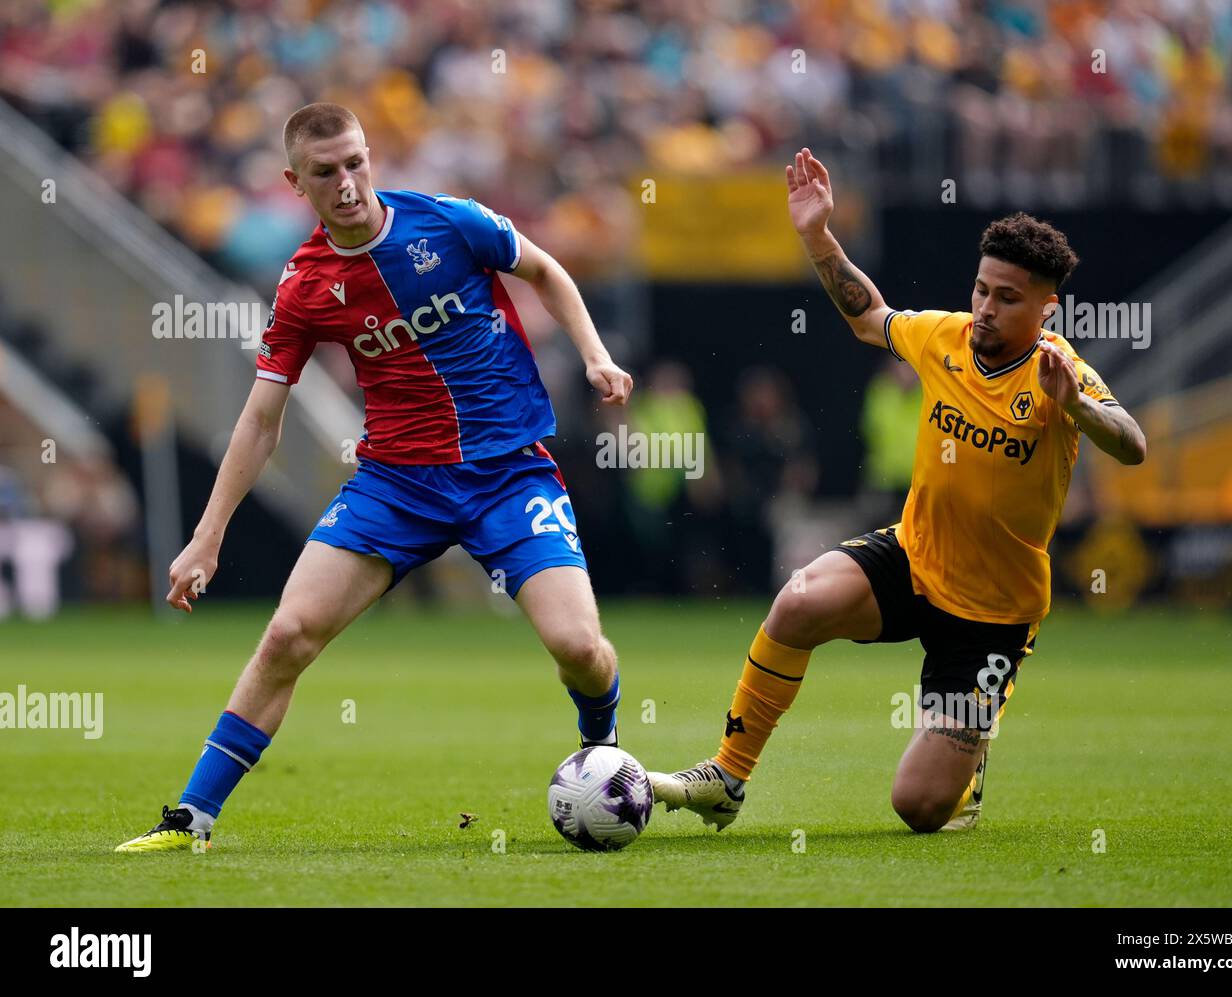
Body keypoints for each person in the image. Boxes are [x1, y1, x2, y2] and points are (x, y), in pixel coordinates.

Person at [116, 103, 634, 851]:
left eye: (356, 162)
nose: (348, 183)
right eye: (326, 172)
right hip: (396, 484)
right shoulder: (304, 286)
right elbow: (261, 419)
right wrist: (206, 539)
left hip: (508, 474)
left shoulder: (450, 222)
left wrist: (594, 356)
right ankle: (190, 816)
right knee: (289, 634)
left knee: (580, 649)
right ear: (297, 183)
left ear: (371, 158)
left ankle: (604, 748)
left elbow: (546, 269)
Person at [650, 148, 1146, 833]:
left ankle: (968, 759)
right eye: (982, 289)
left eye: (1008, 297)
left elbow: (1133, 442)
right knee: (798, 601)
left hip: (993, 613)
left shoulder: (1062, 374)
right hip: (914, 558)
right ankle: (727, 776)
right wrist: (816, 235)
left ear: (1046, 306)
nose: (986, 308)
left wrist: (1080, 409)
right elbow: (867, 314)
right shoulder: (943, 337)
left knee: (918, 807)